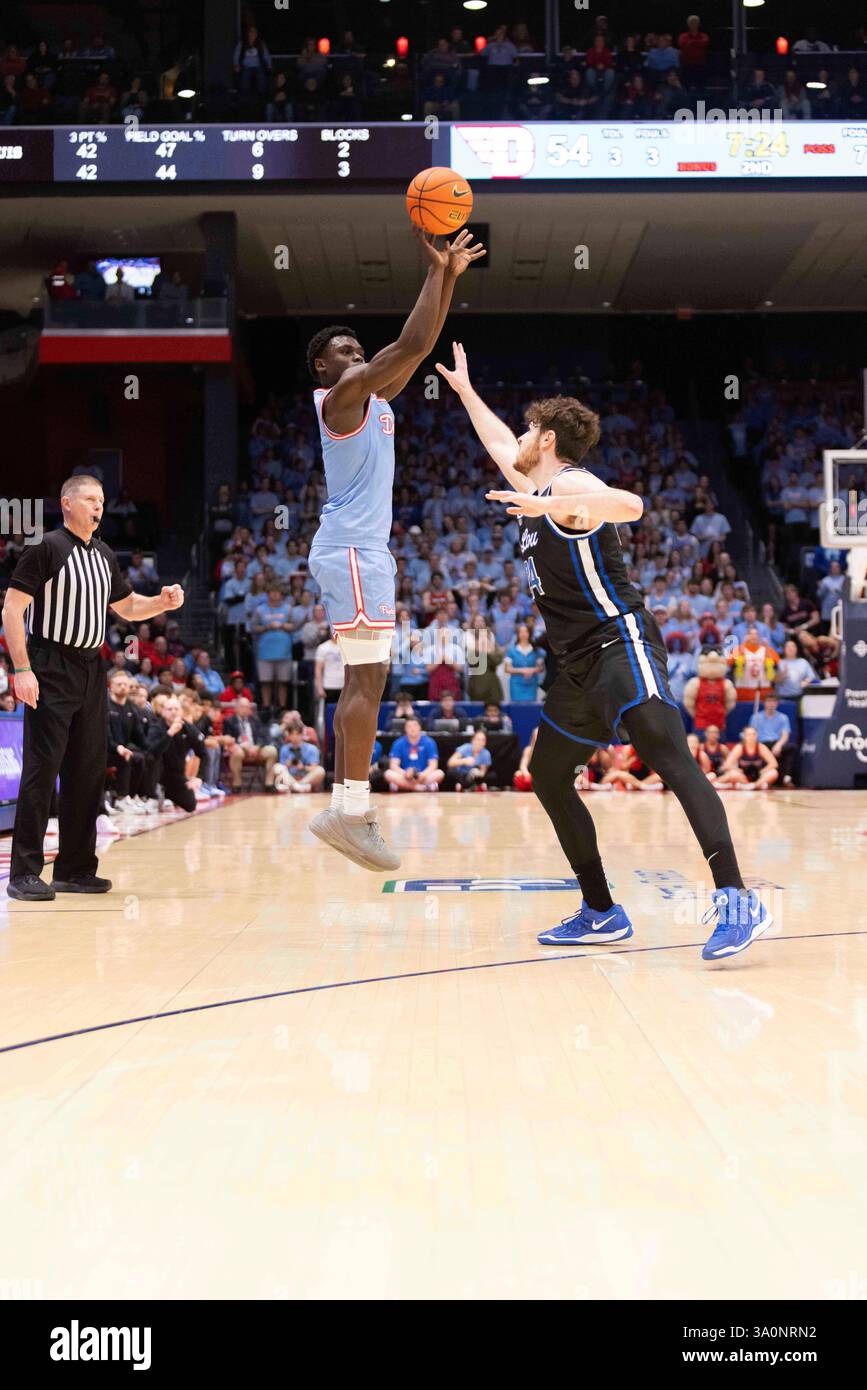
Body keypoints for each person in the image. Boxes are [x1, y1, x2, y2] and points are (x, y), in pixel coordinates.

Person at [436, 342, 772, 961]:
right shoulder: (536, 486)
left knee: (669, 757)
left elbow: (632, 505)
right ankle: (600, 910)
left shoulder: (571, 487)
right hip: (576, 664)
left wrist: (550, 504)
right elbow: (494, 443)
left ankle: (737, 899)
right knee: (548, 774)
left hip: (620, 641)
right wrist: (463, 392)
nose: (520, 436)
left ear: (547, 440)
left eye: (529, 428)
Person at [305, 225, 485, 871]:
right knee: (365, 681)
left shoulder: (376, 400)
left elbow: (416, 349)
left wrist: (446, 278)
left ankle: (348, 807)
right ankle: (349, 810)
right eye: (343, 351)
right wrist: (439, 274)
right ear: (323, 371)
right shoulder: (341, 399)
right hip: (353, 551)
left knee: (369, 681)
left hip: (364, 554)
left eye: (358, 347)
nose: (353, 354)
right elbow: (406, 342)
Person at [2, 475, 184, 900]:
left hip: (90, 668)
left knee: (86, 771)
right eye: (89, 499)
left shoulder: (104, 555)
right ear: (67, 503)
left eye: (101, 501)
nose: (98, 507)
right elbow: (13, 609)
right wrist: (22, 668)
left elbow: (125, 607)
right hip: (49, 664)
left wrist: (160, 601)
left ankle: (76, 869)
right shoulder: (45, 546)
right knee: (42, 769)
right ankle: (24, 873)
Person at [147, 693, 205, 812]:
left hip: (176, 774)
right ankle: (154, 794)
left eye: (176, 709)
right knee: (151, 759)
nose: (173, 712)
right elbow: (153, 751)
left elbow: (202, 752)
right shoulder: (156, 727)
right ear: (163, 711)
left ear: (181, 712)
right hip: (157, 773)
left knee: (190, 805)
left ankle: (168, 796)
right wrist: (169, 734)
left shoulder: (188, 728)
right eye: (169, 709)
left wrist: (199, 777)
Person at [223, 696, 278, 793]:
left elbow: (264, 737)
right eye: (242, 707)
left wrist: (257, 746)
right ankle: (237, 784)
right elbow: (228, 740)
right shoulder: (229, 722)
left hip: (255, 749)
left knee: (272, 751)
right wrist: (243, 746)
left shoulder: (255, 720)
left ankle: (269, 784)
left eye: (247, 707)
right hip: (240, 749)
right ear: (235, 709)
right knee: (237, 752)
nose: (245, 709)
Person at [253, 584, 294, 711]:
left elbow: (293, 626)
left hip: (284, 651)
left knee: (283, 681)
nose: (275, 594)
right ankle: (266, 707)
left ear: (281, 595)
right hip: (265, 652)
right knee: (266, 682)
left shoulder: (288, 609)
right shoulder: (260, 610)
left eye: (278, 592)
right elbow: (253, 627)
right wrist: (267, 627)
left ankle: (281, 708)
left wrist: (281, 625)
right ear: (268, 594)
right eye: (272, 592)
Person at [385, 717, 444, 792]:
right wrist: (405, 774)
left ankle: (403, 786)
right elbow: (393, 765)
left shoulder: (429, 742)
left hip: (423, 774)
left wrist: (423, 774)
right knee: (388, 774)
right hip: (405, 775)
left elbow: (433, 765)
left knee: (439, 773)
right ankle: (418, 788)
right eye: (409, 726)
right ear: (405, 729)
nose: (412, 728)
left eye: (415, 725)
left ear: (420, 727)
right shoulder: (398, 743)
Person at [753, 693, 795, 786]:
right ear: (765, 703)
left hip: (776, 743)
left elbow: (785, 734)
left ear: (777, 704)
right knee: (763, 750)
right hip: (762, 744)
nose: (771, 704)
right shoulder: (756, 717)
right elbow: (752, 733)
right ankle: (763, 778)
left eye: (773, 702)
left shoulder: (783, 717)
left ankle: (787, 777)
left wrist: (779, 745)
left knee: (791, 748)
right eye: (769, 702)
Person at [278, 722, 325, 793]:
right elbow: (281, 769)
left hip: (307, 779)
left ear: (302, 734)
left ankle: (297, 786)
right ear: (289, 735)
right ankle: (298, 787)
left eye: (297, 734)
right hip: (289, 778)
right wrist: (287, 765)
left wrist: (303, 767)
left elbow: (315, 768)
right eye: (292, 734)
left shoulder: (312, 749)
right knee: (277, 767)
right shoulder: (284, 749)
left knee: (320, 770)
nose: (295, 737)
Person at [504, 622, 545, 701]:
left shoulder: (535, 649)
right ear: (518, 634)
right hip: (516, 684)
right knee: (516, 707)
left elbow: (541, 667)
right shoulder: (512, 650)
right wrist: (523, 670)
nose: (523, 634)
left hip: (531, 683)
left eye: (526, 631)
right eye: (521, 632)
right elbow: (507, 669)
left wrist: (532, 670)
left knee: (530, 707)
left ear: (529, 633)